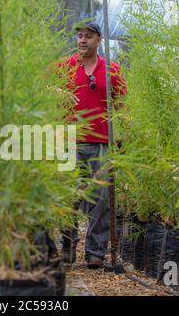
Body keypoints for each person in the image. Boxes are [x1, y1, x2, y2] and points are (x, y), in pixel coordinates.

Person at [61, 20, 126, 269]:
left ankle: (95, 251)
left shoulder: (112, 70)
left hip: (101, 142)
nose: (82, 40)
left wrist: (122, 135)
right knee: (67, 198)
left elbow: (122, 107)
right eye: (79, 35)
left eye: (88, 36)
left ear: (99, 40)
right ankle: (68, 245)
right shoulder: (64, 68)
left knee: (101, 199)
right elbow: (45, 94)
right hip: (68, 142)